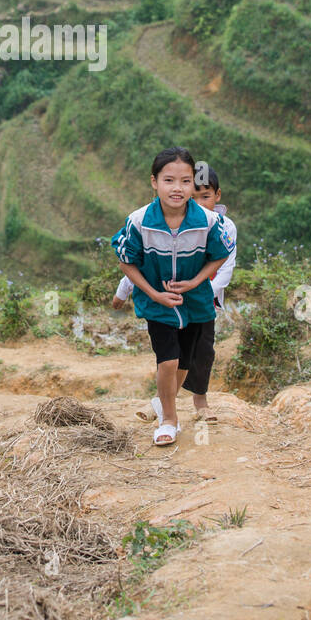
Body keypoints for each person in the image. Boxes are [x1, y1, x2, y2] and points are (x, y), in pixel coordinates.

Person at [111, 148, 232, 446]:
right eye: (168, 180)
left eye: (185, 181)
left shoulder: (207, 221)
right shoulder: (139, 221)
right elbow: (125, 260)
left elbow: (220, 254)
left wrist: (194, 282)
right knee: (167, 360)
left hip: (195, 303)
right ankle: (169, 419)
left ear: (193, 183)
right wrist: (152, 293)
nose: (177, 188)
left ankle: (162, 403)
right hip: (158, 304)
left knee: (184, 363)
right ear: (154, 182)